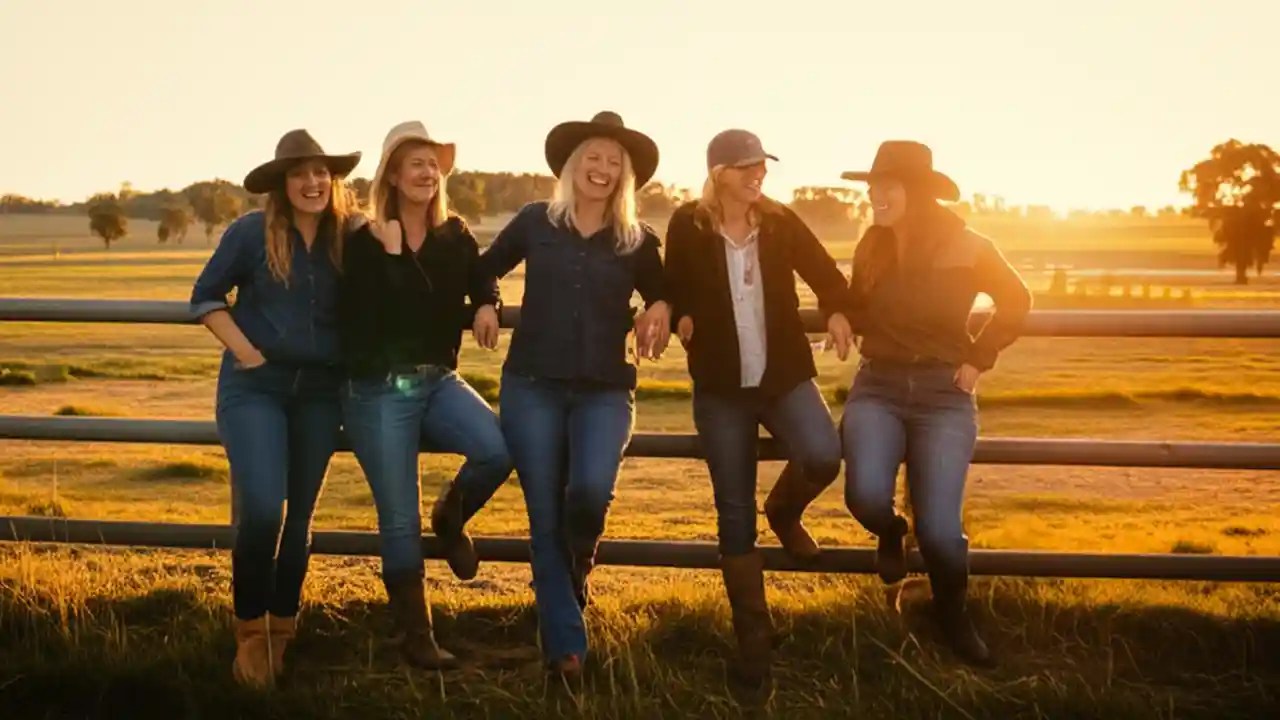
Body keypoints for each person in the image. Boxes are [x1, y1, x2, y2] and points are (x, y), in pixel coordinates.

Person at [478, 111, 671, 678]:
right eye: (594, 157)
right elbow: (485, 267)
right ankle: (566, 650)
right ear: (572, 164)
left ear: (625, 176)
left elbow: (665, 292)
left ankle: (572, 576)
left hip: (604, 391)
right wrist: (487, 300)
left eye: (615, 162)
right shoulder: (537, 221)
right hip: (532, 384)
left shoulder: (637, 239)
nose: (603, 169)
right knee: (544, 515)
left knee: (588, 493)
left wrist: (661, 305)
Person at [663, 129, 853, 688]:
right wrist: (679, 316)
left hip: (784, 376)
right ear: (719, 173)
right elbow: (673, 285)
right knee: (733, 512)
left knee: (822, 455)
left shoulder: (780, 220)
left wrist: (839, 310)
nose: (758, 174)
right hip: (721, 386)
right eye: (747, 166)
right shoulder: (687, 224)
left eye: (761, 165)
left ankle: (786, 513)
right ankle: (754, 643)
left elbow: (825, 273)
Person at [840, 141, 1032, 666]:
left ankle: (953, 616)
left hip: (943, 396)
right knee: (864, 497)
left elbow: (1017, 300)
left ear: (918, 192)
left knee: (944, 533)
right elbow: (856, 304)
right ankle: (892, 530)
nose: (875, 195)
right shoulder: (871, 245)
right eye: (873, 186)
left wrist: (979, 355)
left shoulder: (969, 245)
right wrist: (836, 312)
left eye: (887, 186)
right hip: (877, 386)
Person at [338, 121, 514, 670]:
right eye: (415, 162)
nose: (427, 171)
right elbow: (374, 320)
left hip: (436, 379)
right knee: (397, 519)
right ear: (392, 174)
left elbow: (482, 274)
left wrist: (487, 301)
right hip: (377, 388)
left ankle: (451, 516)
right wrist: (391, 257)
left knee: (498, 448)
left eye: (433, 163)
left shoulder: (453, 235)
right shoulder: (363, 241)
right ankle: (417, 636)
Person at [189, 129, 360, 687]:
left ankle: (280, 632)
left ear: (332, 182)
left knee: (300, 519)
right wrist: (249, 354)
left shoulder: (347, 237)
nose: (312, 183)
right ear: (282, 185)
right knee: (264, 509)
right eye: (299, 174)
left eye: (321, 173)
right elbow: (207, 298)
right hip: (255, 388)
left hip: (320, 392)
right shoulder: (249, 233)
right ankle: (248, 629)